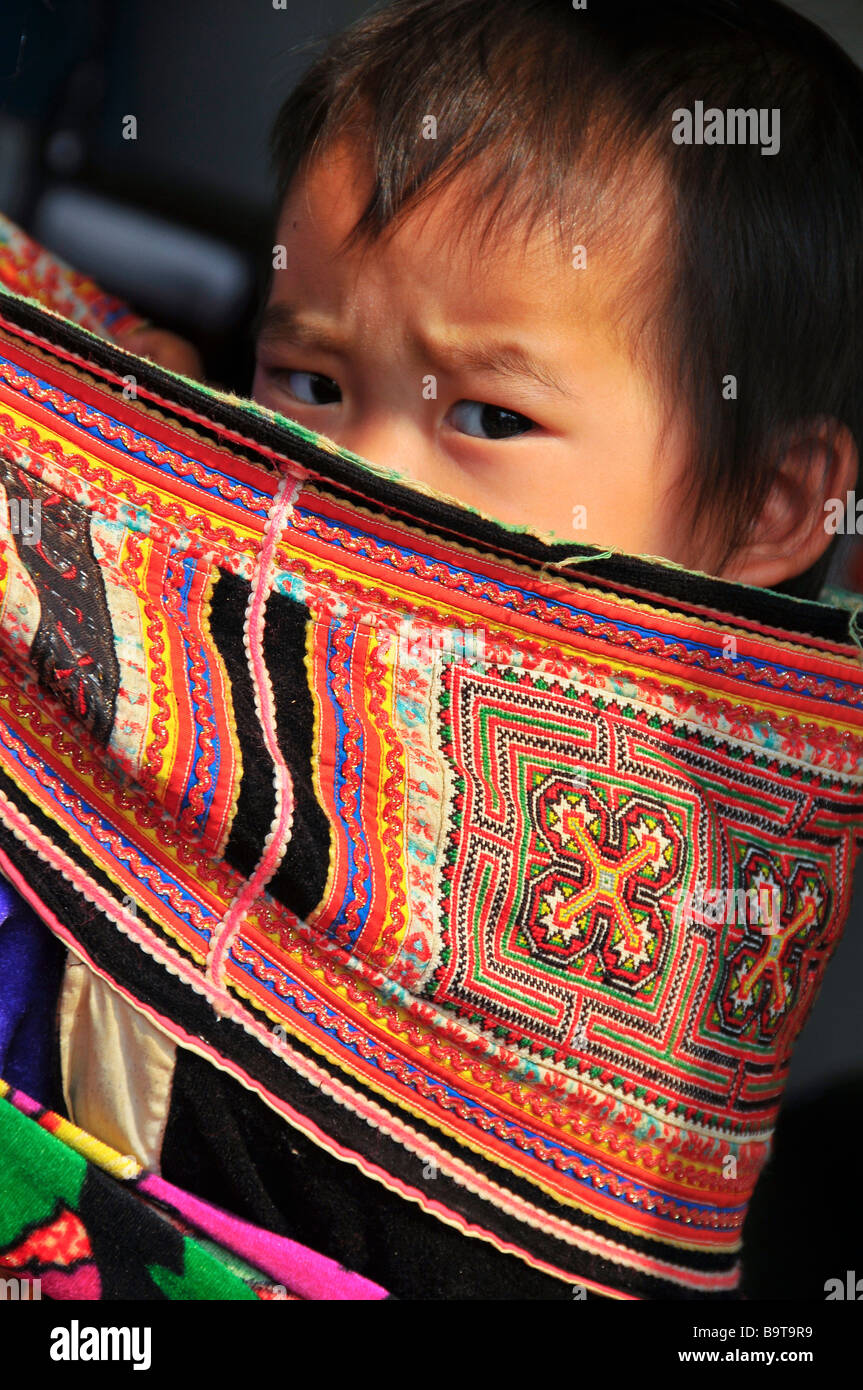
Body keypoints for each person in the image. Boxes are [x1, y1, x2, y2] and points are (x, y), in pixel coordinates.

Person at [2, 0, 863, 1301]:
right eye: (311, 381)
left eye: (485, 413)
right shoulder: (156, 648)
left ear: (772, 508)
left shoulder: (688, 895)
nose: (355, 467)